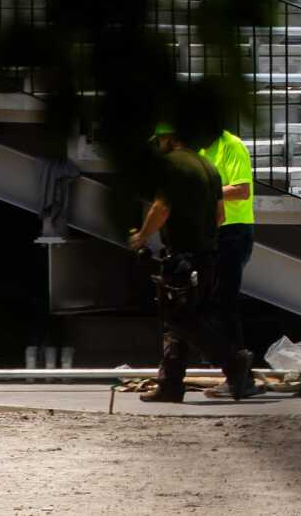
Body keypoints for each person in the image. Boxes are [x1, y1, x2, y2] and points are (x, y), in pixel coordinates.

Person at [129, 125, 255, 403]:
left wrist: (142, 235)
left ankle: (233, 362)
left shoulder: (174, 166)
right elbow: (219, 215)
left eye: (160, 139)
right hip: (207, 252)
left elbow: (161, 207)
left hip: (183, 255)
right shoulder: (207, 167)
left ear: (170, 139)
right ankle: (170, 385)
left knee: (179, 317)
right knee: (180, 319)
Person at [201, 127, 257, 399]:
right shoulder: (200, 149)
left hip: (234, 230)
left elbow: (242, 190)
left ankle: (239, 375)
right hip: (214, 231)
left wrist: (201, 190)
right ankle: (239, 373)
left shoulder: (231, 145)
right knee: (216, 303)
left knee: (223, 302)